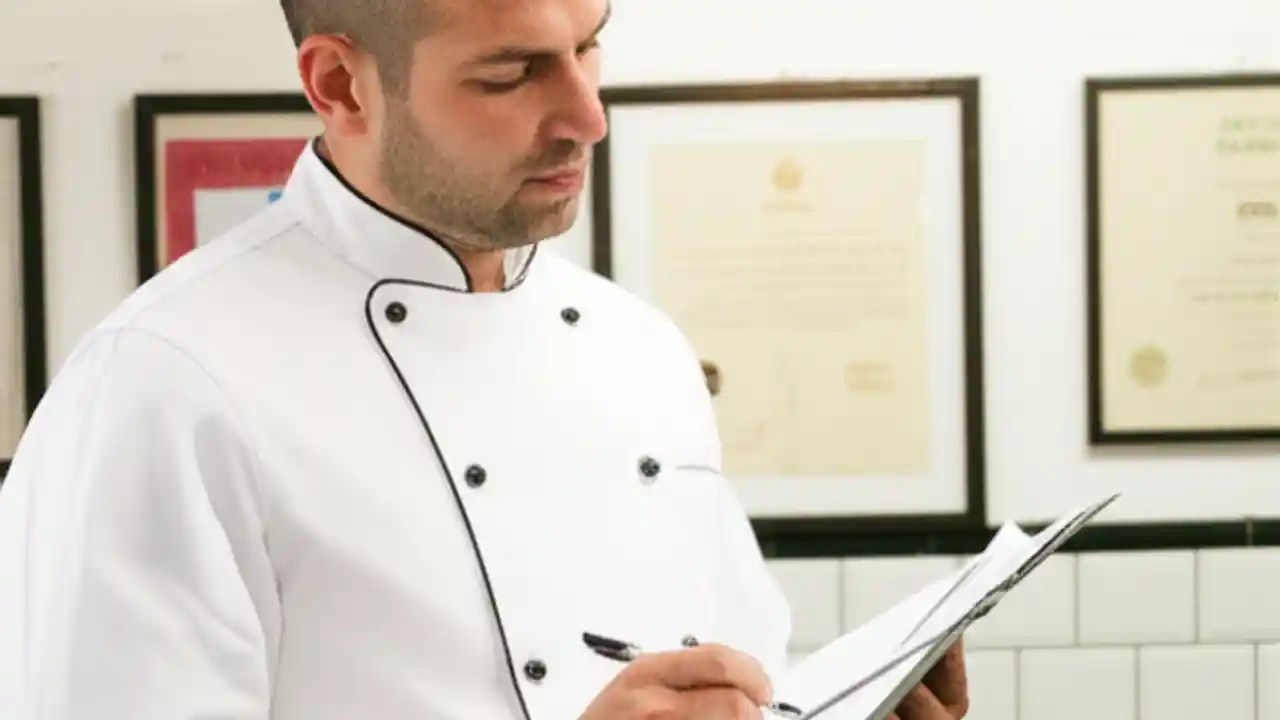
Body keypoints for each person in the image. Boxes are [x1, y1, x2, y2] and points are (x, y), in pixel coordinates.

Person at [0, 0, 970, 717]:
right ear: (339, 84)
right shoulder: (161, 384)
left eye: (590, 46)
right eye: (511, 76)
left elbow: (744, 677)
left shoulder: (641, 348)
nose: (587, 115)